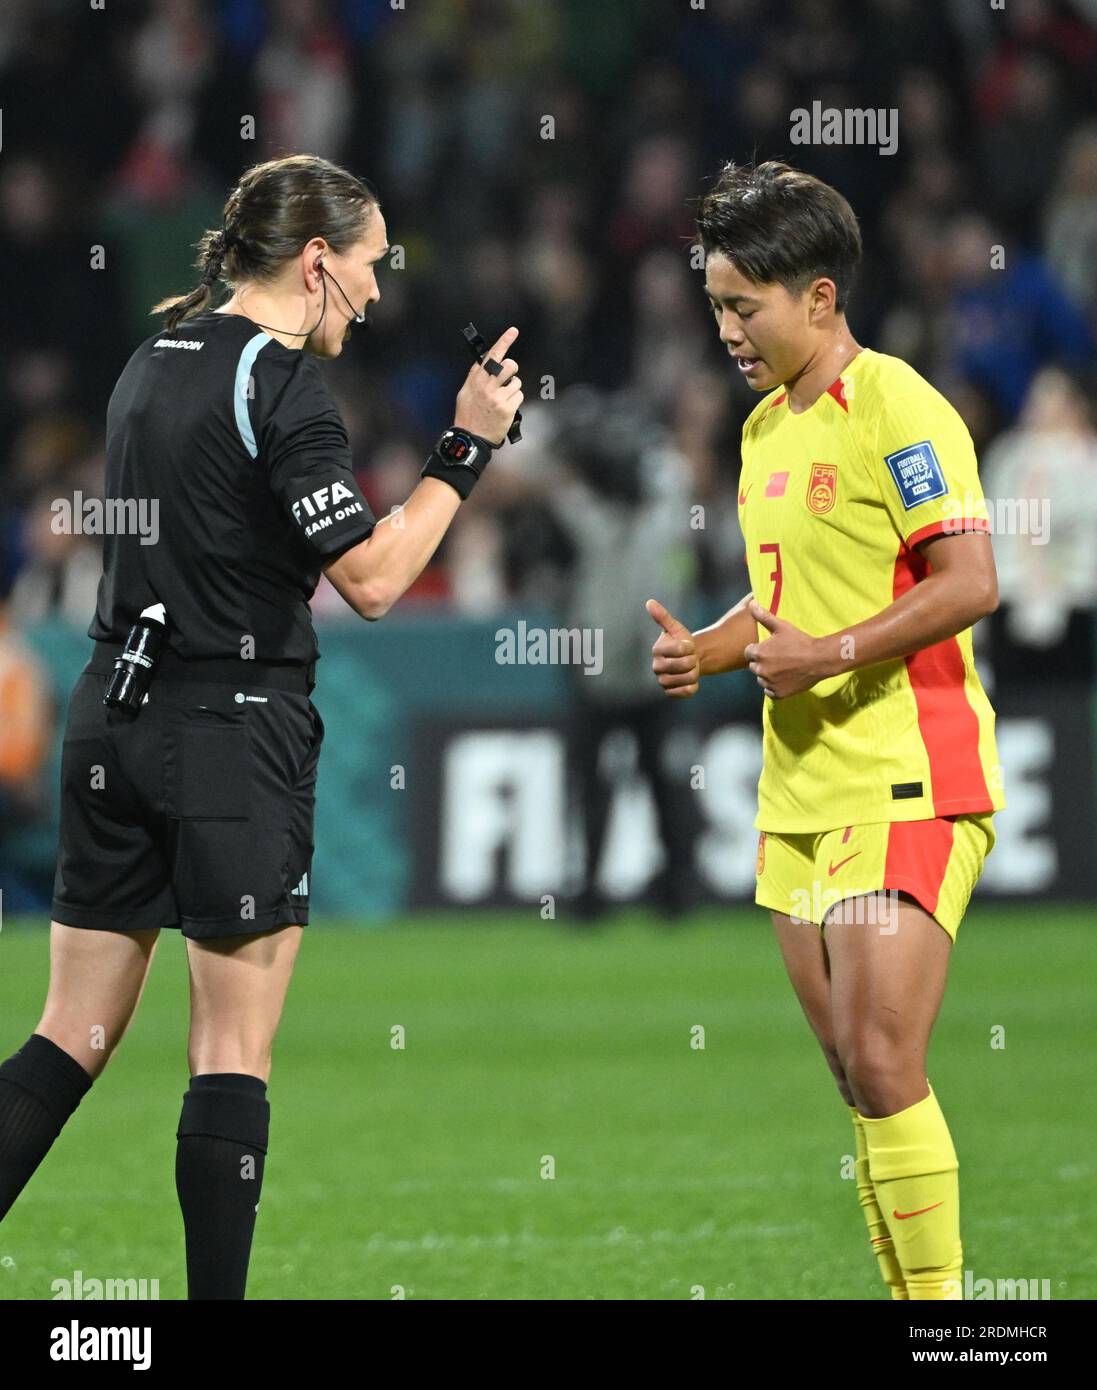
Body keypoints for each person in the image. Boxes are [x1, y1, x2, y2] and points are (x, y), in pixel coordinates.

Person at [0, 154, 523, 1299]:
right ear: (318, 260)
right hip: (226, 729)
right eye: (372, 266)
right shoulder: (279, 384)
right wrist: (466, 447)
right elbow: (377, 580)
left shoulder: (152, 358)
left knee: (69, 1037)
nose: (381, 293)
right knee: (229, 1053)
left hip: (108, 710)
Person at [646, 160, 1005, 1300]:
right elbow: (787, 596)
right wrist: (713, 646)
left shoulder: (897, 404)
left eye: (741, 307)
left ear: (817, 296)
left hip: (905, 766)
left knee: (888, 1057)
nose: (725, 331)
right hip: (797, 790)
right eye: (713, 306)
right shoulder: (761, 429)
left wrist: (827, 656)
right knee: (856, 1073)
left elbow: (967, 579)